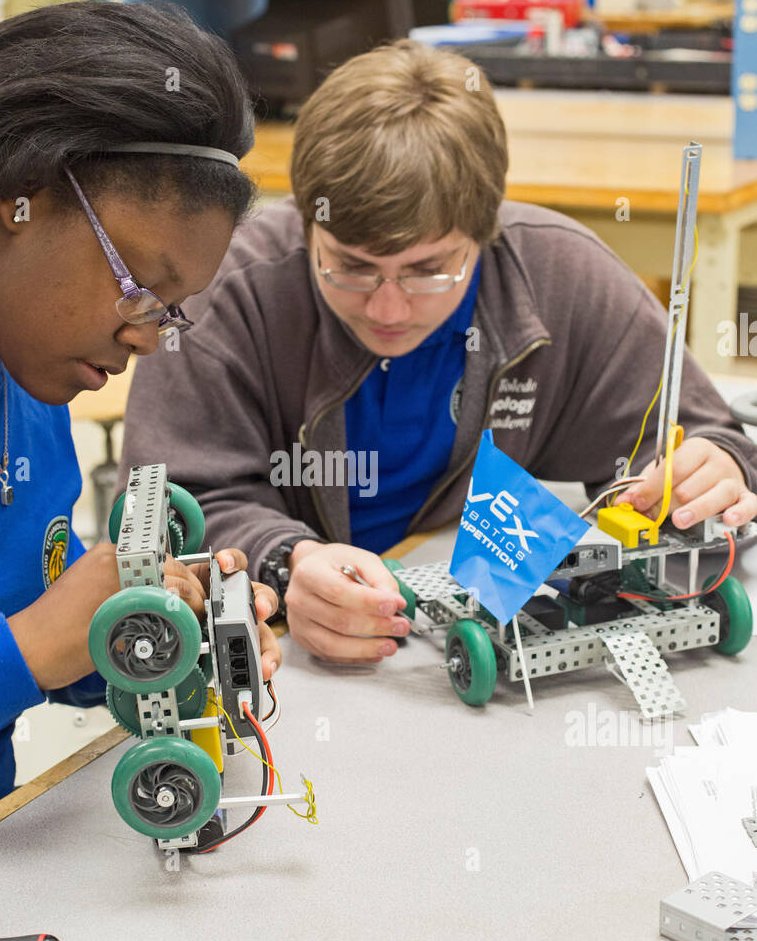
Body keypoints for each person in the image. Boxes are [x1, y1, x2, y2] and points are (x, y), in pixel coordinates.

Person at [117, 39, 757, 666]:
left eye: (429, 271)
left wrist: (715, 472)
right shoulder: (225, 289)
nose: (388, 309)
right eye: (351, 268)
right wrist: (286, 562)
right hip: (285, 655)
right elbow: (166, 512)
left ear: (486, 231)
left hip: (448, 649)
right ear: (307, 224)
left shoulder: (564, 275)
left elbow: (692, 439)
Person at [0, 0, 281, 869]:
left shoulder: (31, 369)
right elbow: (13, 653)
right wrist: (26, 649)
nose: (148, 336)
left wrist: (152, 634)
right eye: (139, 285)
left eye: (170, 310)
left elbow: (33, 649)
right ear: (17, 198)